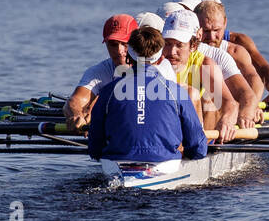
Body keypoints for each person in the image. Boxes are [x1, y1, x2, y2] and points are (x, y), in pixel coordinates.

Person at [87, 27, 209, 167]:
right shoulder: (177, 91)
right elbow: (198, 148)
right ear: (160, 57)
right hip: (165, 163)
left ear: (129, 56)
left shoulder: (108, 91)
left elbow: (94, 149)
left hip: (117, 163)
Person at [64, 14, 173, 130]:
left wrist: (97, 106)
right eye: (113, 44)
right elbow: (74, 101)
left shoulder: (161, 66)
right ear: (106, 44)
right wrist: (77, 115)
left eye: (125, 44)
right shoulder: (100, 71)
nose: (119, 51)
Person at [160, 10, 253, 142]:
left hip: (197, 131)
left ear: (193, 45)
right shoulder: (154, 60)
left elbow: (230, 104)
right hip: (166, 127)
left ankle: (204, 146)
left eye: (179, 45)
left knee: (204, 98)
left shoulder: (205, 64)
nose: (171, 52)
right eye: (167, 43)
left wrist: (226, 120)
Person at [194, 0, 269, 114]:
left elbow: (255, 78)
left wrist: (251, 106)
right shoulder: (180, 49)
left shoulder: (235, 50)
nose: (211, 37)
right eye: (206, 31)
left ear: (225, 23)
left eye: (216, 30)